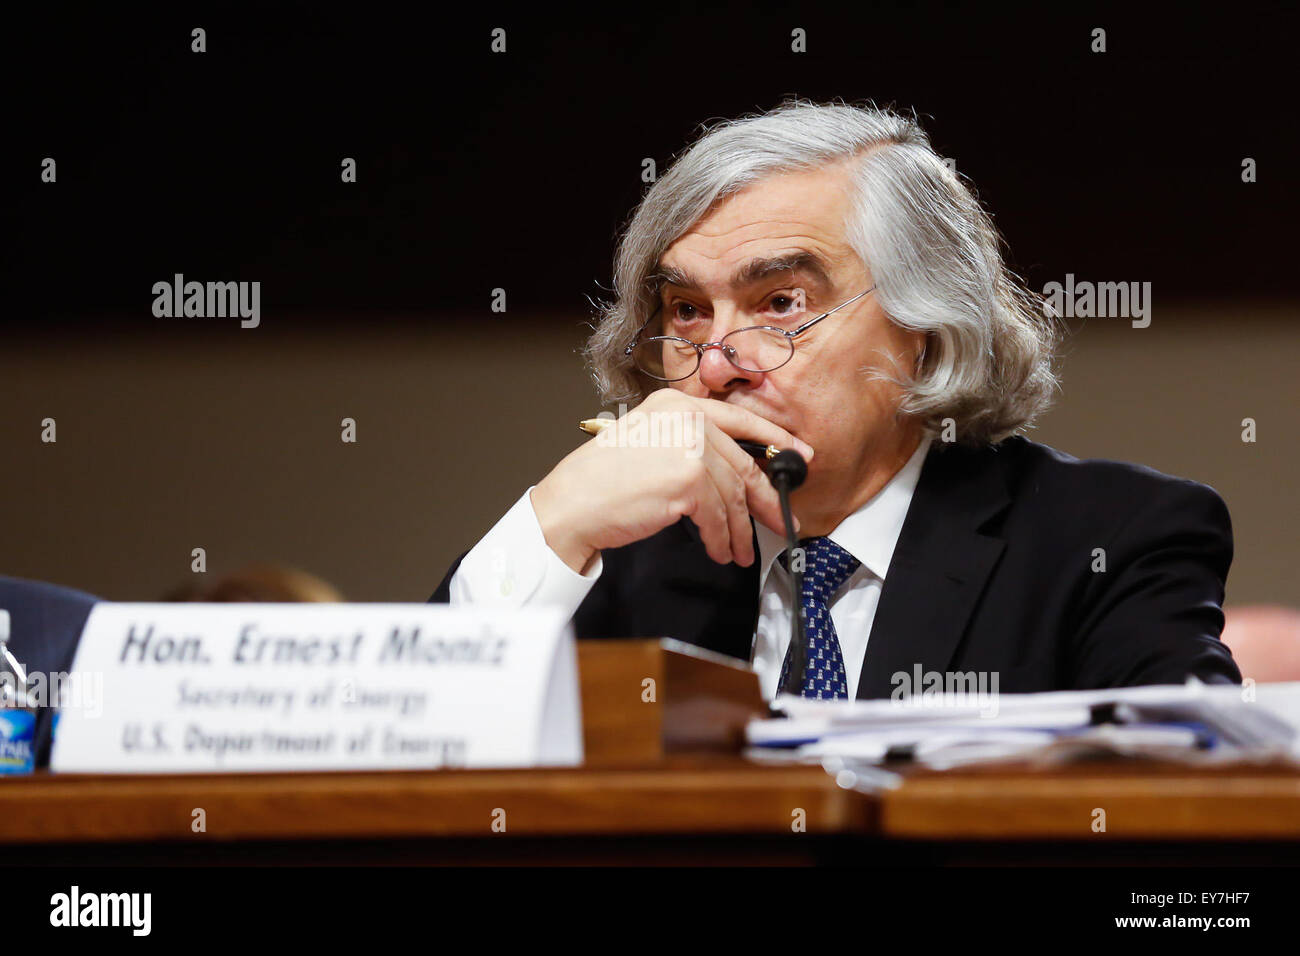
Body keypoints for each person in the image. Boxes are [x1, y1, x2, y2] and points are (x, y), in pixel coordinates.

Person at [431, 100, 1240, 700]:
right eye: (685, 312)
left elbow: (1199, 810)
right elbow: (411, 761)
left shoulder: (1107, 542)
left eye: (781, 304)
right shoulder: (616, 551)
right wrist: (555, 521)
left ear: (925, 320)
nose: (719, 362)